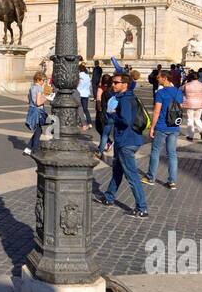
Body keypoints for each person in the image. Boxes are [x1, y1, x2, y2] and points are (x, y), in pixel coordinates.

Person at [101, 73, 148, 218]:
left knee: (132, 176)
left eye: (116, 82)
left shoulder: (125, 100)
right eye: (113, 82)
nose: (113, 85)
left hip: (126, 141)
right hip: (131, 139)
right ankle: (109, 197)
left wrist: (113, 115)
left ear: (125, 84)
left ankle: (141, 208)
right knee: (117, 170)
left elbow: (126, 120)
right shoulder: (131, 97)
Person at [144, 70, 183, 189]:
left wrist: (152, 127)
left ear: (165, 78)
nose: (157, 78)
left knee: (155, 151)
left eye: (159, 77)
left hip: (161, 126)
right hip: (174, 126)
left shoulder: (160, 93)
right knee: (172, 154)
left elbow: (156, 111)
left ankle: (151, 177)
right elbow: (180, 108)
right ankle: (172, 181)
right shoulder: (178, 92)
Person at [24, 71, 49, 156]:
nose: (43, 82)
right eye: (43, 80)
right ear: (39, 79)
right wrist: (47, 97)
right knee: (40, 129)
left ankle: (28, 149)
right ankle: (35, 150)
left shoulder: (32, 87)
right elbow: (38, 103)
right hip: (38, 112)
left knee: (38, 130)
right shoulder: (39, 88)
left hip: (32, 110)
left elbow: (29, 100)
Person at [182, 69, 202, 141]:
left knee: (190, 119)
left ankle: (190, 136)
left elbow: (180, 89)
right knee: (197, 119)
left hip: (190, 104)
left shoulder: (187, 85)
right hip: (200, 104)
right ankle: (201, 131)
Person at [76, 62, 93, 132]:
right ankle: (89, 122)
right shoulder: (88, 76)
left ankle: (80, 123)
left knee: (79, 108)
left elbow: (76, 84)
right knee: (85, 109)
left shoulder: (78, 75)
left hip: (79, 93)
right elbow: (89, 85)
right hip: (86, 94)